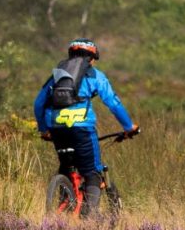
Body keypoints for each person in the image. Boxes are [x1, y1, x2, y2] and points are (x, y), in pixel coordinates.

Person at [33, 38, 137, 219]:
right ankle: (90, 217)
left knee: (66, 167)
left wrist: (44, 129)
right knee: (92, 172)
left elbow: (38, 103)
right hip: (82, 129)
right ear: (92, 59)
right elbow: (113, 103)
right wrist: (129, 127)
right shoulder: (95, 75)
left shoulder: (57, 75)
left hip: (57, 128)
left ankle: (63, 205)